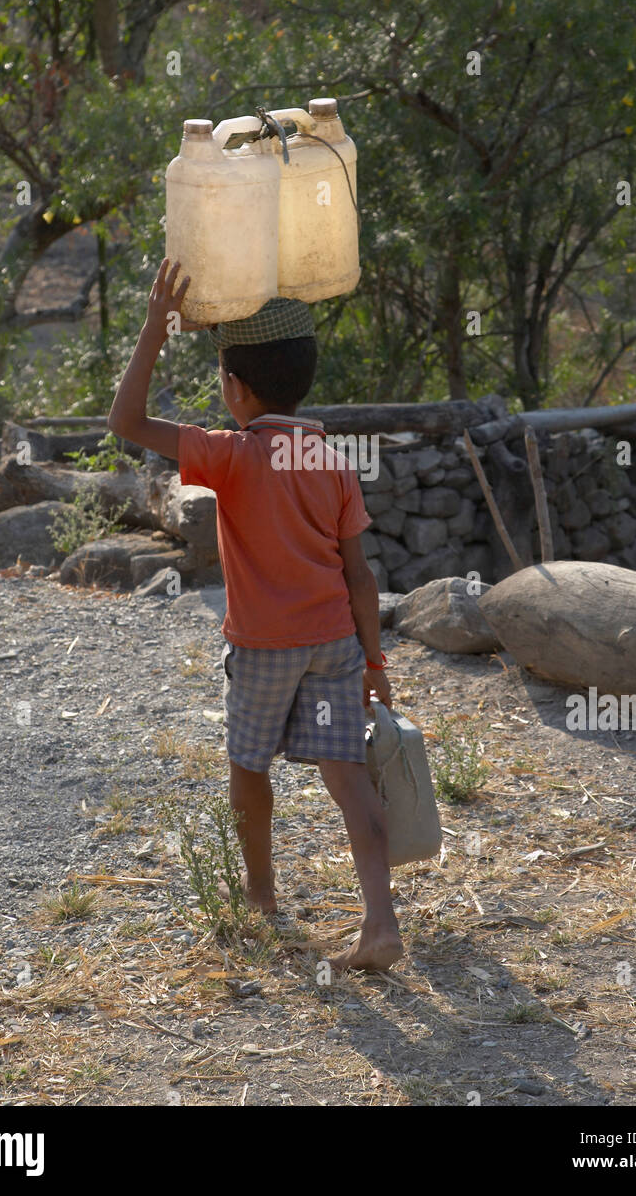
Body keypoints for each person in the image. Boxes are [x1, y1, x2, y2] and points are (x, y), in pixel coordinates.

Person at [107, 258, 403, 973]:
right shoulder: (332, 461)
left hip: (265, 651)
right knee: (347, 775)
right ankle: (380, 921)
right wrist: (374, 663)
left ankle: (262, 895)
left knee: (248, 766)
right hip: (334, 643)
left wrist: (155, 327)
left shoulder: (230, 455)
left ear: (235, 389)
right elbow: (360, 578)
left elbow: (125, 420)